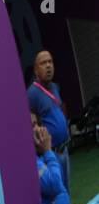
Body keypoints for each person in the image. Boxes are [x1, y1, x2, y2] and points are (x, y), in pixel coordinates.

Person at [27, 50, 70, 191]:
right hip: (51, 155)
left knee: (66, 191)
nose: (48, 66)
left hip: (64, 150)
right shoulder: (31, 93)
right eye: (43, 63)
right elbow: (29, 124)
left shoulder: (54, 87)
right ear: (36, 69)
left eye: (50, 62)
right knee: (58, 193)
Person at [33, 112, 70, 204]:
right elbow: (55, 185)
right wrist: (48, 150)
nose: (38, 129)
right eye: (32, 126)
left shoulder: (42, 156)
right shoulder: (29, 160)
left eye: (37, 124)